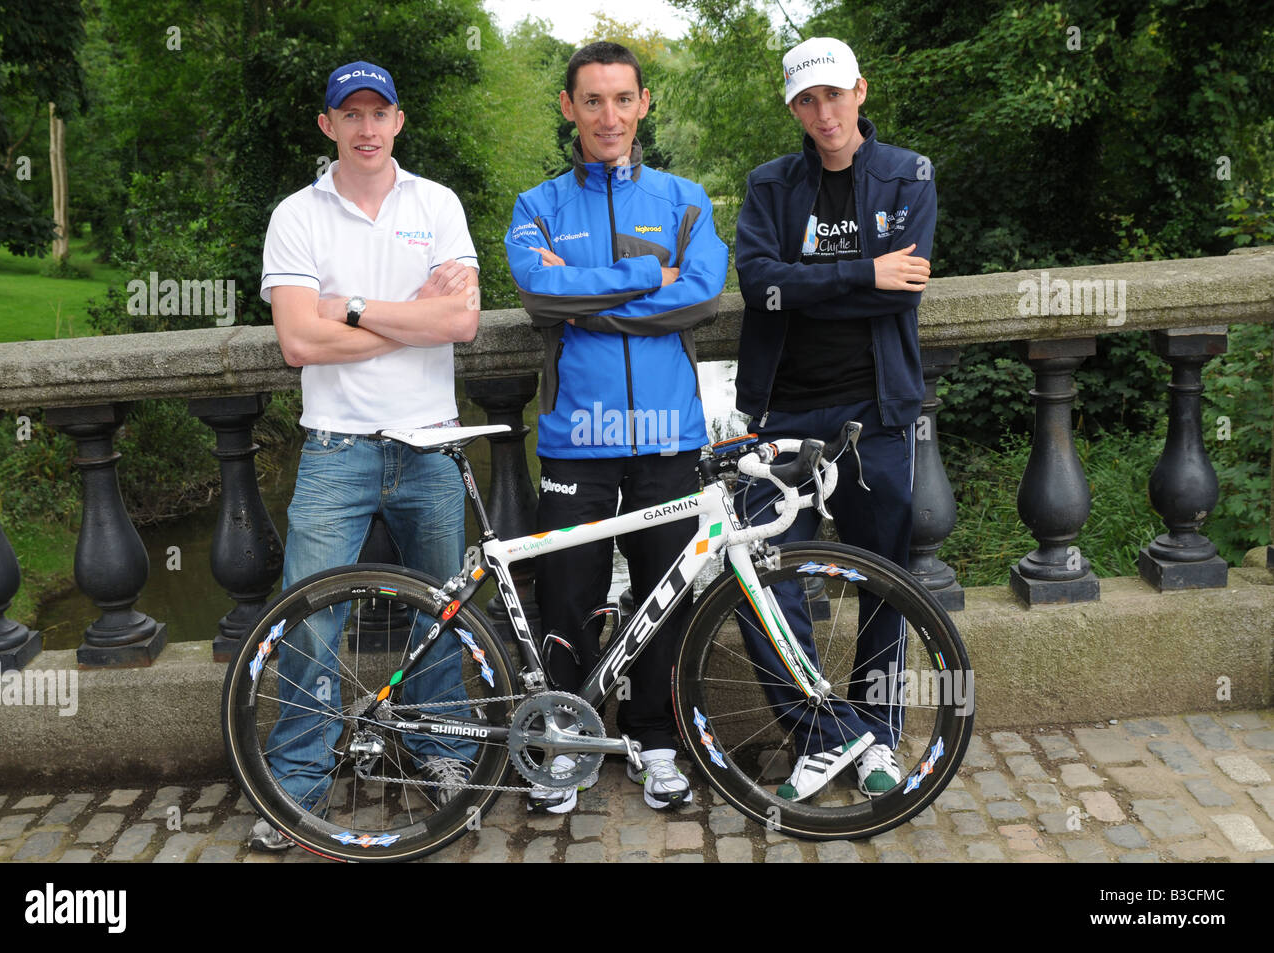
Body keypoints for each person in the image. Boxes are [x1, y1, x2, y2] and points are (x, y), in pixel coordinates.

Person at [251, 60, 482, 850]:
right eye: (349, 113)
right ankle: (296, 785)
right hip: (336, 448)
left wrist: (347, 307)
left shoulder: (438, 204)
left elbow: (461, 323)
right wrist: (409, 314)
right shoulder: (296, 215)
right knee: (312, 624)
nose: (366, 127)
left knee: (444, 617)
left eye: (378, 112)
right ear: (328, 125)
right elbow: (295, 340)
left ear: (399, 120)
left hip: (432, 445)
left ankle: (445, 756)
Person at [505, 42, 728, 814]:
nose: (609, 115)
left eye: (622, 99)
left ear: (644, 104)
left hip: (669, 438)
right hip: (576, 441)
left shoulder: (685, 199)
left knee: (665, 598)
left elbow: (700, 297)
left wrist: (586, 301)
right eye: (592, 100)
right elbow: (538, 290)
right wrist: (644, 276)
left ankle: (657, 742)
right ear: (569, 107)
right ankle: (565, 743)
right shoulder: (537, 207)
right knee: (568, 599)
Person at [733, 37, 936, 801]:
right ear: (794, 107)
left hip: (875, 411)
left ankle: (881, 737)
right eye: (807, 101)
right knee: (763, 576)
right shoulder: (769, 186)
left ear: (860, 90)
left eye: (834, 96)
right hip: (782, 409)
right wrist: (862, 271)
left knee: (882, 577)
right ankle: (827, 734)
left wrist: (815, 281)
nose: (824, 114)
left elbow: (901, 293)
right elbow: (759, 286)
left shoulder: (909, 174)